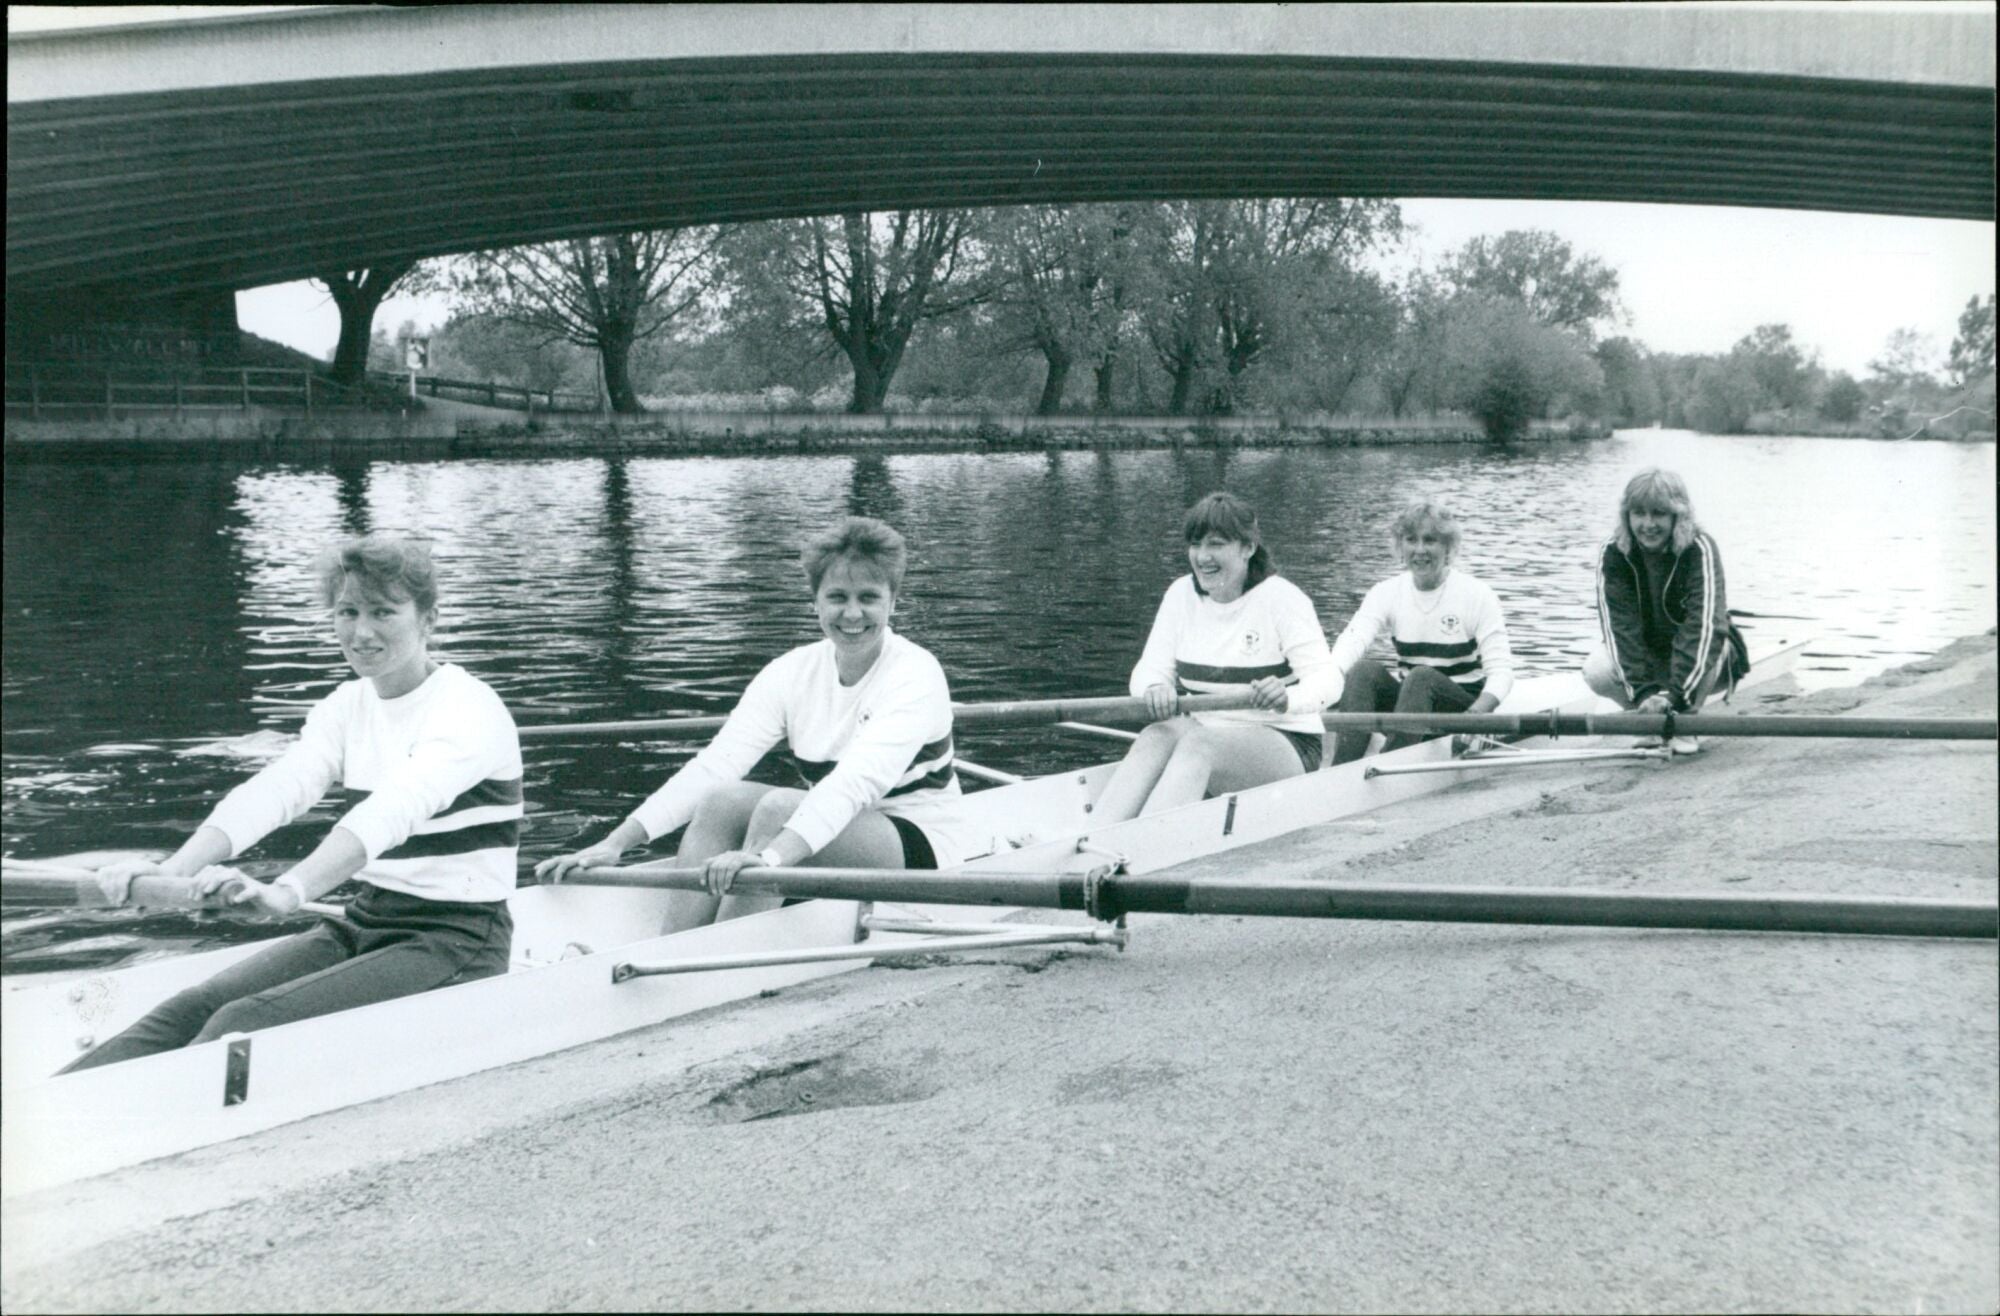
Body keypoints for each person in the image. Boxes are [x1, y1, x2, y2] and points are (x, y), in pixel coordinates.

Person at [63, 534, 522, 1072]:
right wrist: (173, 870)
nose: (362, 631)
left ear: (428, 620)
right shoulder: (346, 705)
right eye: (347, 611)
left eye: (383, 612)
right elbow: (280, 788)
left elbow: (388, 812)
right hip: (364, 921)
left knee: (242, 1024)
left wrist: (289, 890)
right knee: (190, 1009)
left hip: (456, 938)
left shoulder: (468, 710)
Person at [536, 516, 973, 931]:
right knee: (723, 799)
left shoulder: (915, 673)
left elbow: (854, 784)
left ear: (893, 602)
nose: (852, 614)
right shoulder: (791, 671)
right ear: (815, 602)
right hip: (833, 829)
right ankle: (675, 943)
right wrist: (615, 842)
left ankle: (721, 957)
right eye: (837, 597)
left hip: (922, 844)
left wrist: (772, 858)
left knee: (781, 807)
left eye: (869, 598)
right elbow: (717, 764)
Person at [1091, 491, 1341, 824]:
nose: (1203, 557)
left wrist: (1288, 697)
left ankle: (1141, 852)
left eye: (1216, 544)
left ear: (1248, 548)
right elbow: (1148, 669)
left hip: (1287, 741)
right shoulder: (1180, 594)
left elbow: (1330, 680)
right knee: (1157, 733)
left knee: (1199, 744)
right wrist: (1154, 687)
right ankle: (1090, 840)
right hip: (1206, 732)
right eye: (1196, 545)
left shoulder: (1282, 599)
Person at [1328, 500, 1516, 764]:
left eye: (1430, 541)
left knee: (1420, 678)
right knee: (1362, 670)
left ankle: (1389, 765)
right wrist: (1327, 679)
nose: (1419, 550)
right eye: (1411, 540)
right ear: (1400, 546)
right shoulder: (1386, 592)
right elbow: (1354, 639)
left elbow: (1502, 672)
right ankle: (1343, 767)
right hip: (1412, 706)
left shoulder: (1477, 594)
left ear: (1448, 547)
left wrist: (1474, 717)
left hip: (1459, 708)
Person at [1584, 467, 1750, 754]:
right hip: (1650, 653)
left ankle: (1687, 721)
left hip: (1706, 656)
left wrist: (1676, 696)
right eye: (1639, 513)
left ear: (1678, 515)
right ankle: (1648, 719)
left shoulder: (1700, 548)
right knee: (1596, 669)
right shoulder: (1613, 552)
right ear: (1627, 516)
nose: (1648, 524)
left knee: (1711, 638)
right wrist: (1644, 694)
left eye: (1659, 513)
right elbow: (1619, 629)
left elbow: (1704, 627)